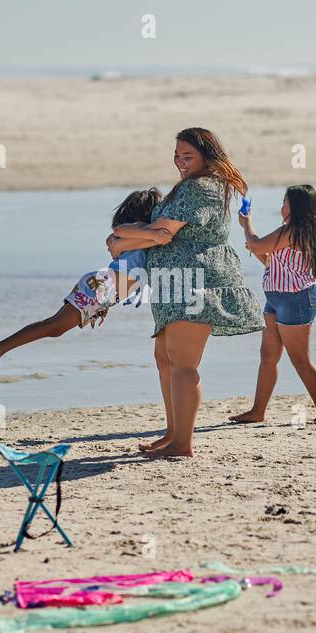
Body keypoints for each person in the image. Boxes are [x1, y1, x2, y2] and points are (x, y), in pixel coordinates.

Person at [108, 127, 264, 458]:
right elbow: (156, 233)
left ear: (207, 156)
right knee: (165, 358)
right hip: (172, 283)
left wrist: (126, 236)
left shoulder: (203, 188)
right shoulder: (186, 188)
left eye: (187, 155)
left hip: (194, 282)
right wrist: (132, 236)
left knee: (183, 364)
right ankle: (173, 432)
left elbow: (164, 232)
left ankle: (183, 444)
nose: (180, 161)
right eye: (177, 154)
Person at [0, 189, 164, 378]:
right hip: (102, 286)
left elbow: (116, 247)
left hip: (104, 289)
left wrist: (106, 303)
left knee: (54, 326)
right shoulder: (142, 230)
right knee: (54, 327)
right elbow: (115, 240)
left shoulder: (142, 235)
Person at [231, 185, 316, 424]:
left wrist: (246, 223)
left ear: (295, 207)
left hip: (296, 299)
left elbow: (256, 244)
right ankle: (258, 412)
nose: (281, 206)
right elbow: (268, 260)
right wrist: (255, 245)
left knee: (300, 360)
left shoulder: (294, 232)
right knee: (268, 356)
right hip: (275, 298)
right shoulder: (290, 231)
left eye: (284, 201)